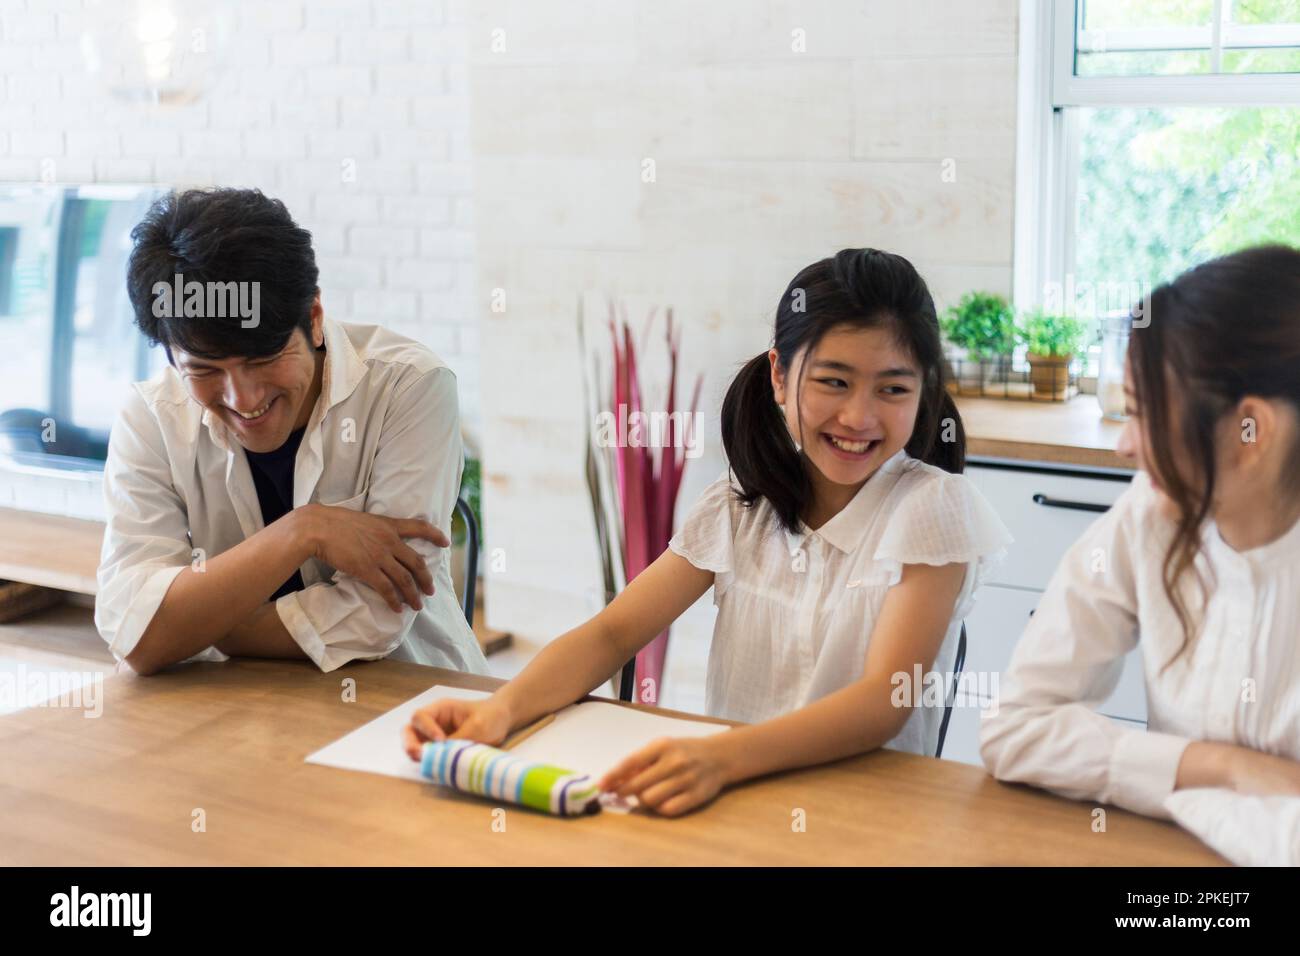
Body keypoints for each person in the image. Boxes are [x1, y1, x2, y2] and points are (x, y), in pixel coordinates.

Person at [405, 248, 1010, 815]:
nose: (859, 415)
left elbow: (884, 700)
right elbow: (615, 632)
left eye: (893, 389)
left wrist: (719, 758)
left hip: (861, 812)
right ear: (779, 375)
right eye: (833, 381)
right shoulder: (738, 506)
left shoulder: (934, 507)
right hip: (735, 797)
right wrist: (501, 709)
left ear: (925, 390)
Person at [96, 187, 487, 677]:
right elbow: (132, 627)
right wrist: (305, 531)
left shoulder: (408, 387)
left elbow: (375, 620)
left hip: (407, 693)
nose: (243, 399)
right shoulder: (151, 416)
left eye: (262, 360)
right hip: (225, 708)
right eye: (204, 370)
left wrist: (192, 624)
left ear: (315, 319)